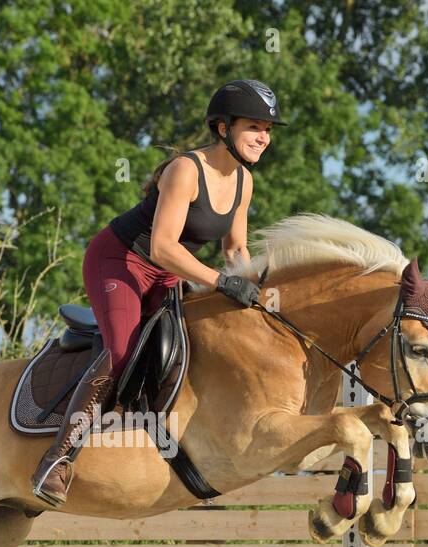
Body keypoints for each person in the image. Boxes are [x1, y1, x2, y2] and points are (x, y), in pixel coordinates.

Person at [31, 79, 285, 507]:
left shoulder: (244, 181)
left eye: (268, 129)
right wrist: (221, 281)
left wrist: (256, 292)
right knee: (122, 351)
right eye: (254, 127)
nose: (264, 137)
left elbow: (236, 249)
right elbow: (162, 247)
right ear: (223, 128)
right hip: (121, 261)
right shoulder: (186, 170)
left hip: (169, 275)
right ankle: (57, 459)